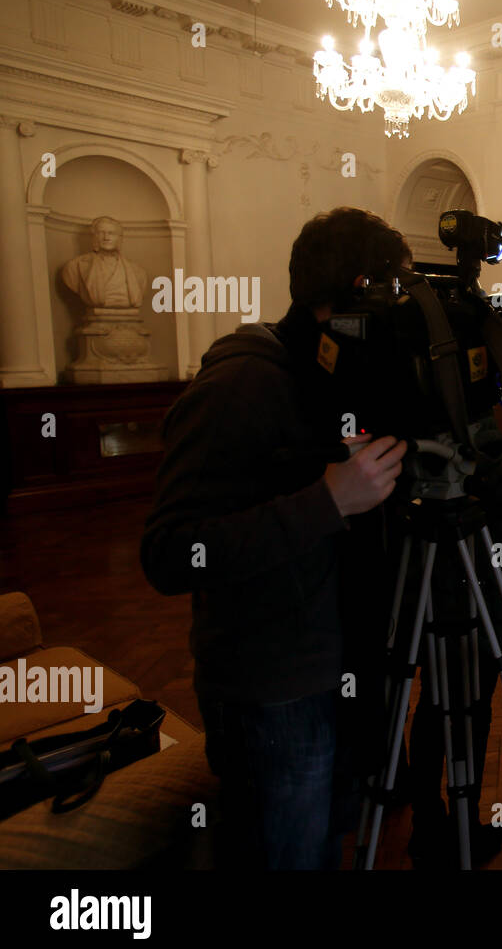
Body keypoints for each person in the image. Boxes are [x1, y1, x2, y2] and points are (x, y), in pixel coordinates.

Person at [140, 207, 412, 869]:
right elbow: (171, 551)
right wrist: (327, 502)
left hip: (343, 667)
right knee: (284, 854)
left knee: (326, 842)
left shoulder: (335, 370)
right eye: (393, 292)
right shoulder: (240, 382)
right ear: (351, 295)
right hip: (274, 691)